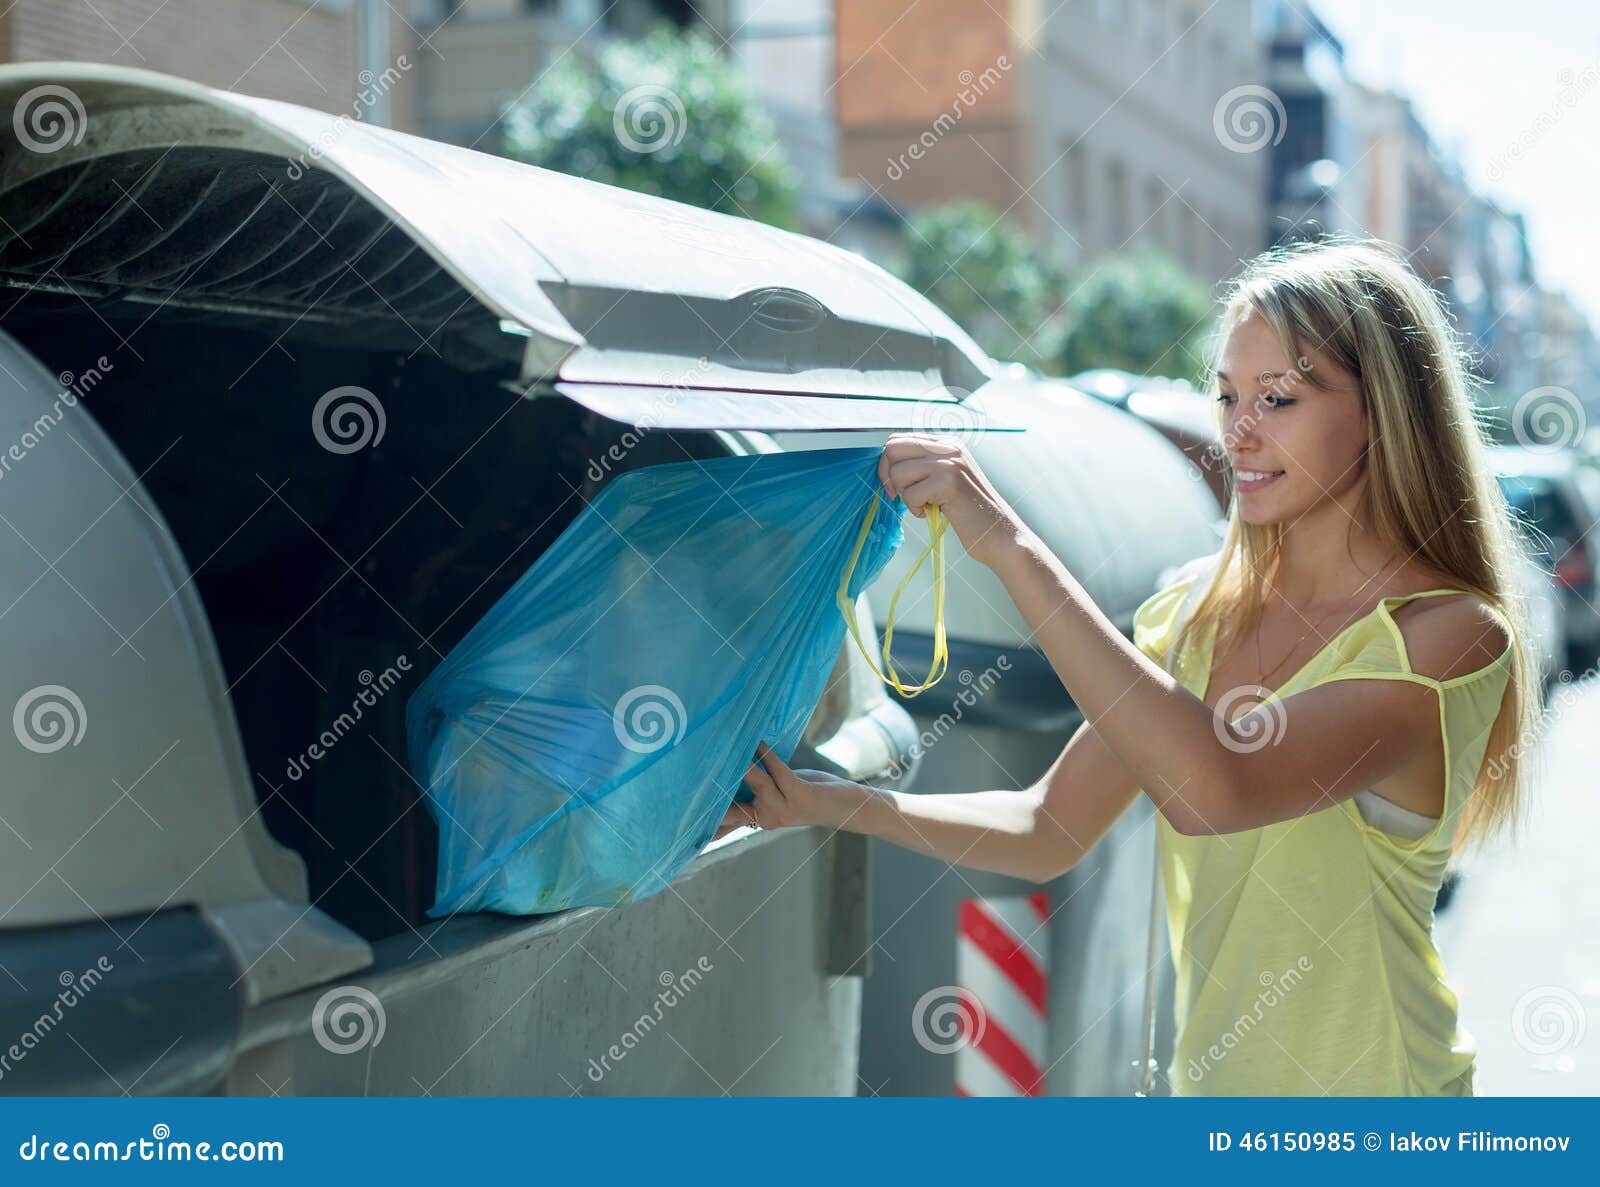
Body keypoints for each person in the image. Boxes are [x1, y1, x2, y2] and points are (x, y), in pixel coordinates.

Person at [715, 237, 1543, 1097]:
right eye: (1227, 395)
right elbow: (1048, 829)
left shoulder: (1445, 637)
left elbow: (1215, 788)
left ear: (1382, 413)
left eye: (1280, 397)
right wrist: (833, 802)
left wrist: (1007, 544)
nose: (1239, 429)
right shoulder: (1196, 613)